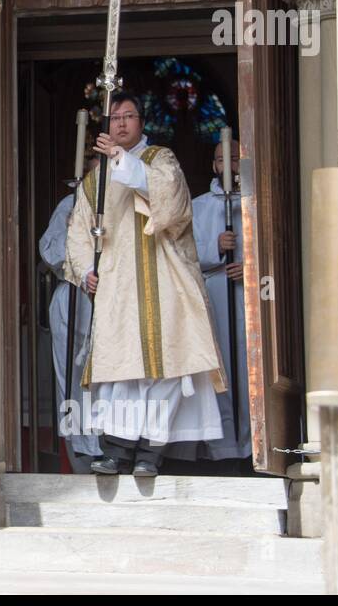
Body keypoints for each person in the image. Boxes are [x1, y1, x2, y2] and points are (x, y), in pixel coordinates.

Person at [65, 92, 226, 476]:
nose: (120, 123)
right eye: (115, 117)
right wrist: (86, 267)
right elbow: (79, 230)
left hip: (162, 278)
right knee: (123, 369)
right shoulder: (95, 178)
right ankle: (117, 451)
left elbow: (170, 204)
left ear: (142, 122)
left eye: (128, 116)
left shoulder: (160, 159)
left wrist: (121, 161)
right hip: (118, 288)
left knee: (165, 366)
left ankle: (150, 453)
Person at [189, 139, 251, 460]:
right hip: (215, 294)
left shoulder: (257, 203)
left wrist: (252, 267)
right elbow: (184, 255)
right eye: (221, 160)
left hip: (250, 299)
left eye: (235, 159)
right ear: (214, 166)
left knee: (248, 370)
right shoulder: (199, 207)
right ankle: (226, 448)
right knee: (221, 370)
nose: (229, 166)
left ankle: (254, 445)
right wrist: (216, 247)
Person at [38, 172, 102, 472]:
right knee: (73, 377)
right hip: (73, 295)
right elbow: (50, 251)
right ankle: (79, 452)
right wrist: (72, 235)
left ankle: (113, 447)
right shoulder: (70, 203)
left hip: (112, 296)